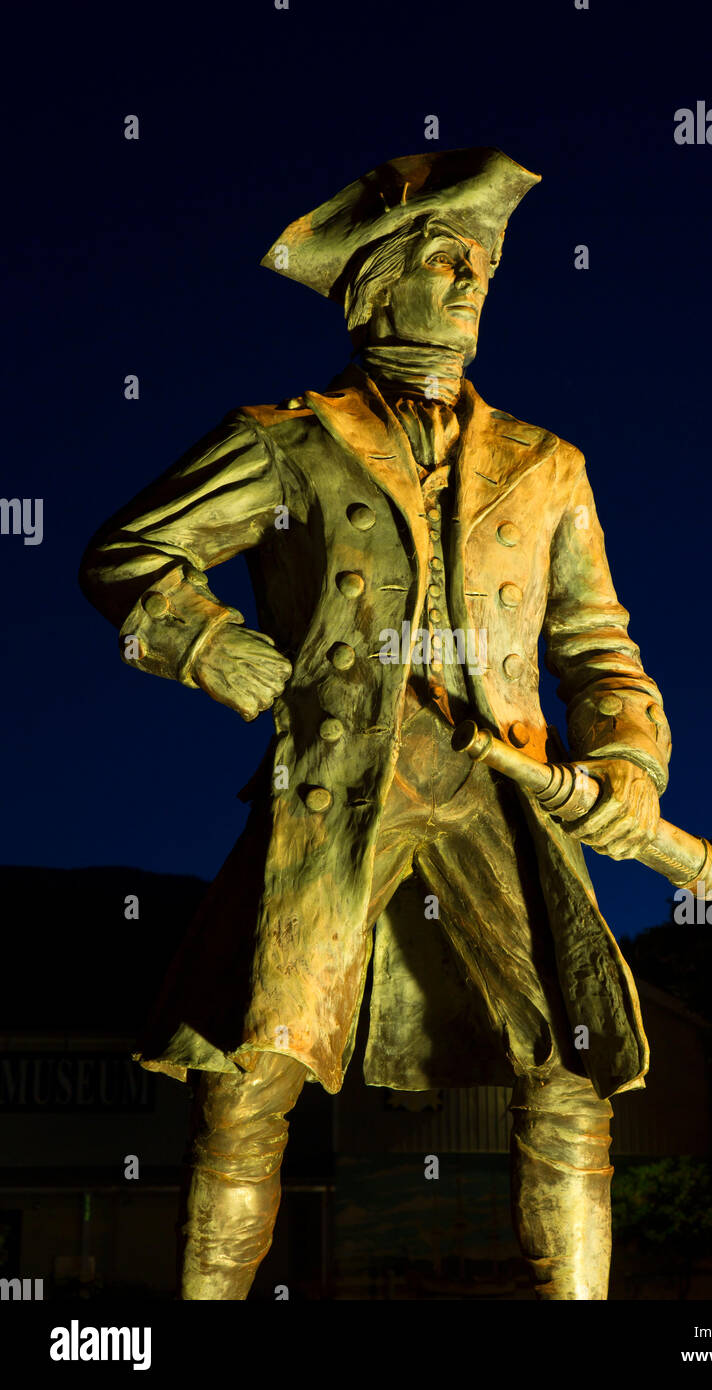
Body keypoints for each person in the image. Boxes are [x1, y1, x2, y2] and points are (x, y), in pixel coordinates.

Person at [79, 147, 672, 1300]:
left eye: (483, 268)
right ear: (374, 283)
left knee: (568, 1065)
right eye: (445, 261)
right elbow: (128, 557)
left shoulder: (547, 467)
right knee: (249, 1073)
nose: (468, 285)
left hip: (499, 788)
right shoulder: (286, 440)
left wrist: (624, 761)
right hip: (336, 787)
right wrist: (217, 647)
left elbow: (599, 649)